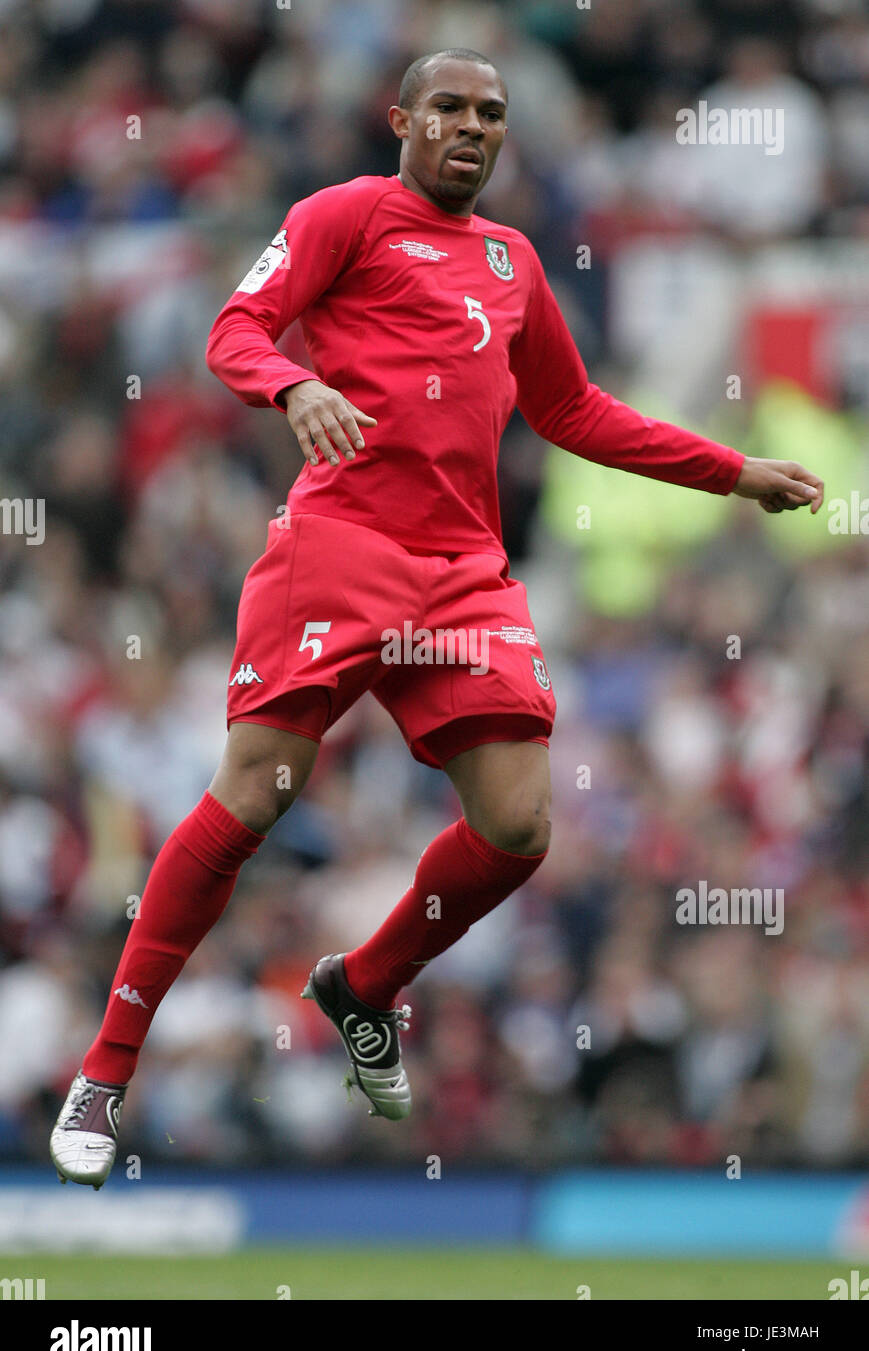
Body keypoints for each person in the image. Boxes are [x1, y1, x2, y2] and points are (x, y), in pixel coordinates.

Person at [50, 48, 823, 1187]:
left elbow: (572, 409)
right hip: (340, 545)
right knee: (257, 792)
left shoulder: (513, 260)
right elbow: (235, 329)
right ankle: (105, 1070)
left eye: (491, 113)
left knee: (518, 827)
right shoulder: (345, 215)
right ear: (401, 120)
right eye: (449, 107)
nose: (471, 126)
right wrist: (295, 385)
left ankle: (363, 985)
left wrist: (729, 471)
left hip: (462, 570)